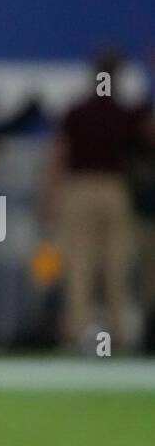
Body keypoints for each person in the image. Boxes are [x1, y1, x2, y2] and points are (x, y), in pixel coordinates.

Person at [46, 49, 152, 353]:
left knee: (82, 264)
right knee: (115, 266)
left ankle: (78, 334)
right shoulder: (123, 113)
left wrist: (51, 197)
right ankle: (117, 337)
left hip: (81, 188)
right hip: (112, 189)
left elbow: (59, 156)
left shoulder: (79, 112)